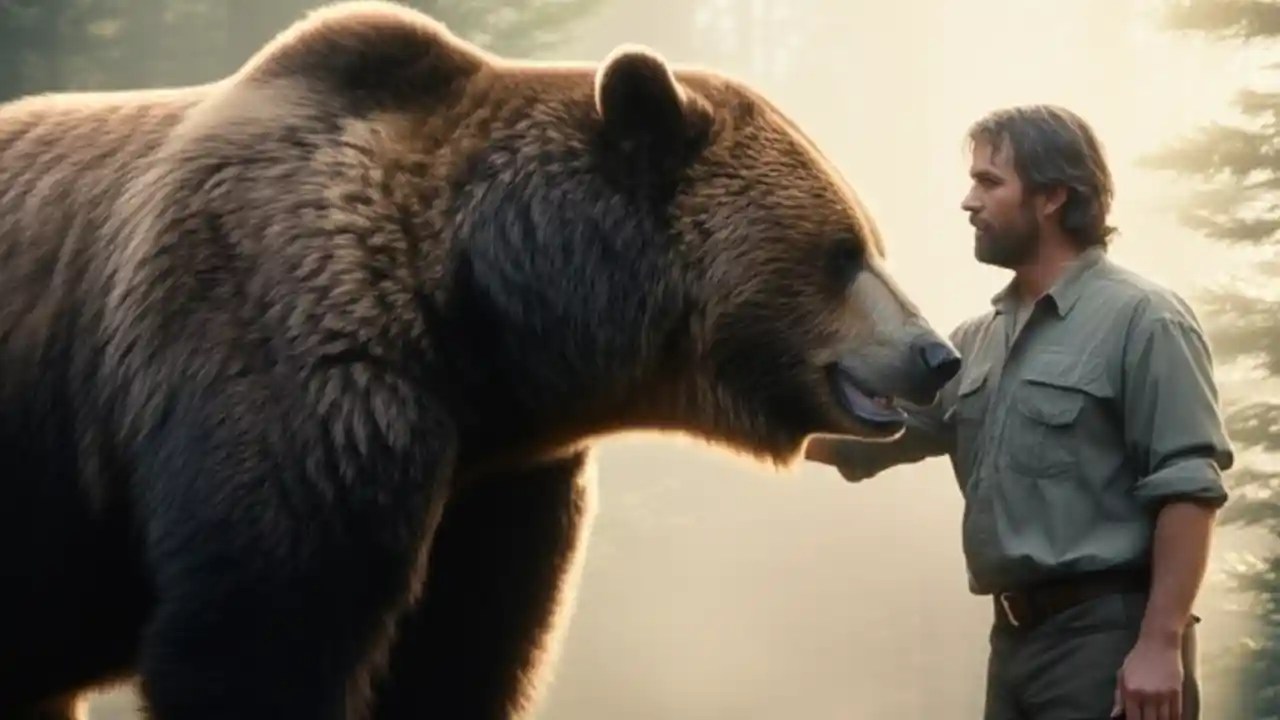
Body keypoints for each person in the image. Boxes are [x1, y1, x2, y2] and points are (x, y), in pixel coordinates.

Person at [806, 104, 1233, 720]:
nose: (968, 202)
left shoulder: (1144, 319)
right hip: (1012, 647)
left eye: (989, 182)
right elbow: (861, 437)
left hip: (1109, 645)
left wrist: (1160, 643)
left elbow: (1188, 487)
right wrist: (724, 396)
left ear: (1054, 195)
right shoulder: (976, 341)